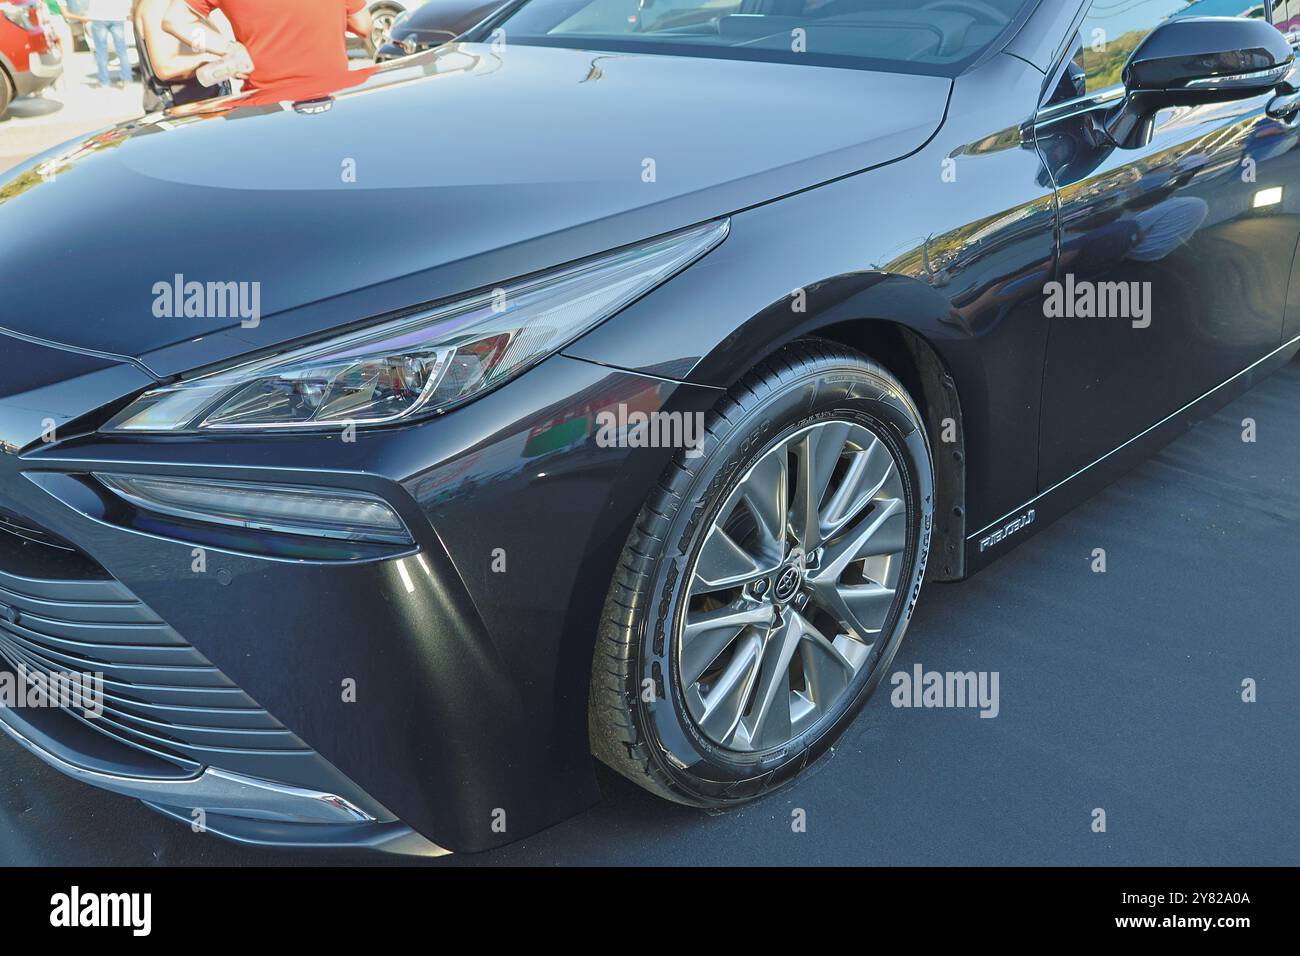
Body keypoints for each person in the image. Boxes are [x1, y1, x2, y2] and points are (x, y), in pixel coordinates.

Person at [162, 0, 371, 94]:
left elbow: (174, 20)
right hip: (331, 96)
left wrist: (227, 48)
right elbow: (363, 26)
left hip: (265, 105)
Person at [132, 0, 230, 111]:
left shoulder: (186, 4)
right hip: (179, 110)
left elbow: (215, 42)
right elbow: (165, 67)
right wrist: (217, 57)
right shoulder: (158, 5)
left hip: (206, 102)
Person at [68, 0, 134, 88]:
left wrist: (84, 13)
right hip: (117, 15)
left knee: (101, 51)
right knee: (122, 50)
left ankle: (104, 82)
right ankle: (127, 79)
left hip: (98, 16)